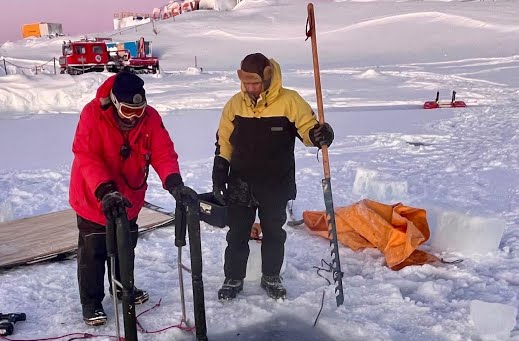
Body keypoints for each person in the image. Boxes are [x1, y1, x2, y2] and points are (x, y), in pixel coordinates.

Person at [69, 71, 200, 326]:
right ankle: (91, 301)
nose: (136, 116)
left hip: (129, 195)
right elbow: (86, 155)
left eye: (139, 110)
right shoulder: (92, 114)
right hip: (94, 195)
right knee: (94, 250)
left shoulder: (150, 117)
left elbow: (162, 152)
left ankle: (122, 286)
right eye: (129, 110)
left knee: (125, 245)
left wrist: (174, 182)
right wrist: (105, 190)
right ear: (116, 103)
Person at [213, 53, 334, 300]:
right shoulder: (235, 104)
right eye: (246, 83)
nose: (250, 88)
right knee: (236, 233)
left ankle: (271, 276)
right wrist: (219, 170)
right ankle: (233, 278)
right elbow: (224, 141)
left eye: (255, 83)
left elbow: (307, 131)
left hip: (276, 182)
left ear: (267, 78)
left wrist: (320, 135)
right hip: (240, 181)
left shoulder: (290, 101)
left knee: (274, 233)